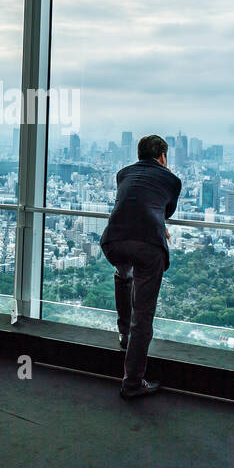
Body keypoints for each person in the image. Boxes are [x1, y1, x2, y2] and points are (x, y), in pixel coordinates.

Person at [100, 134, 182, 399]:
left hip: (114, 241)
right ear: (162, 157)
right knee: (143, 315)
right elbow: (163, 211)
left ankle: (123, 333)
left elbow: (132, 204)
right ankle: (132, 382)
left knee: (124, 272)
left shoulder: (123, 174)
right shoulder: (172, 180)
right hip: (148, 247)